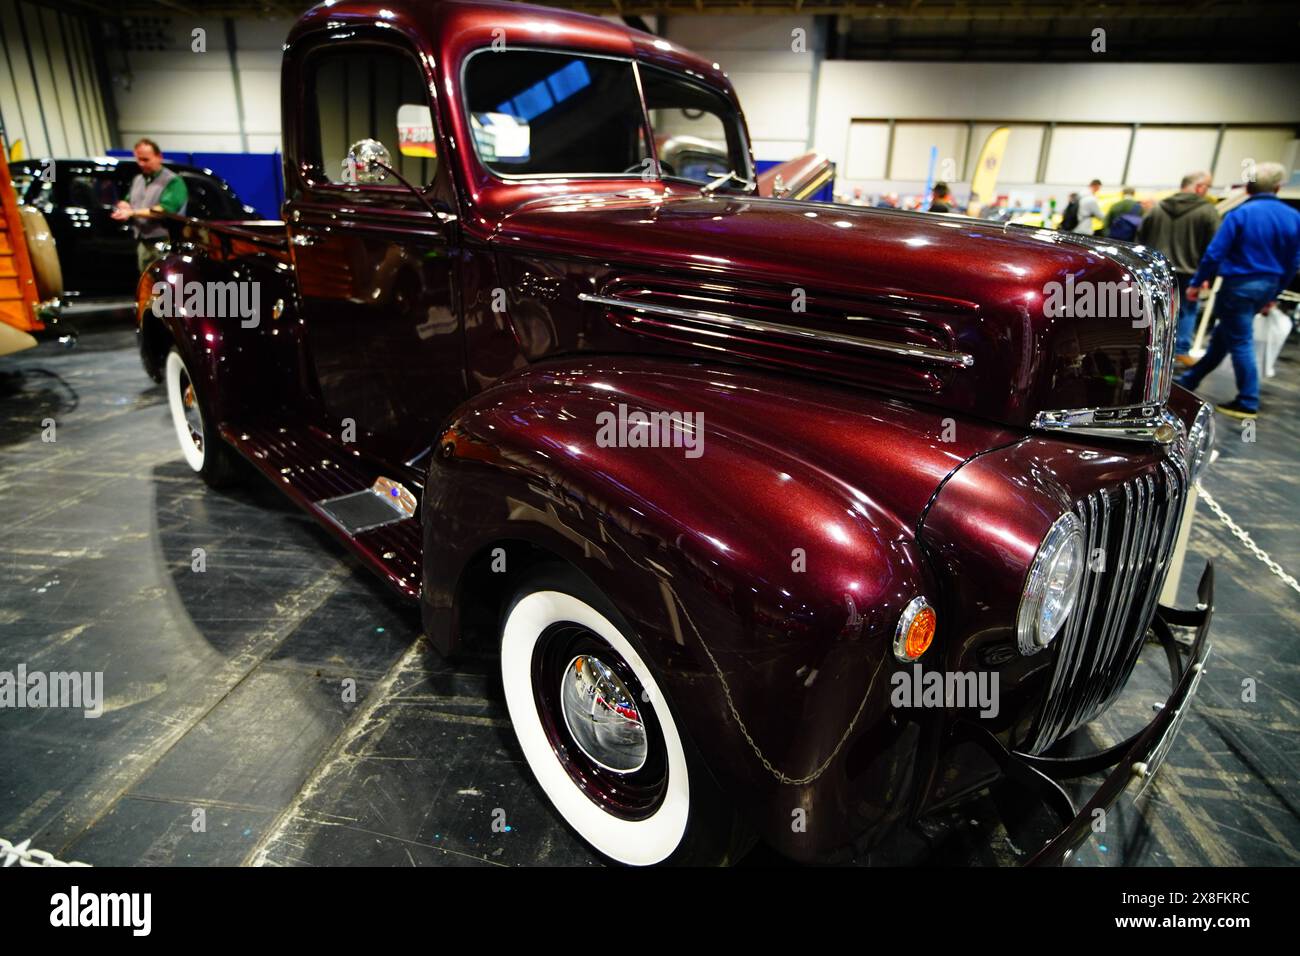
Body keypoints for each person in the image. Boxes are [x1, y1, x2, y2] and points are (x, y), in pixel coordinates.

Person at [1178, 162, 1300, 420]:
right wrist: (1274, 294)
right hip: (1267, 286)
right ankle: (1189, 380)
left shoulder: (1240, 214)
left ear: (1247, 187)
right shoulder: (1293, 217)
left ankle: (1247, 401)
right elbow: (1294, 261)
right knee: (1224, 336)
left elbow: (1215, 253)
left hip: (1238, 286)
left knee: (1240, 340)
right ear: (1278, 187)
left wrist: (1198, 281)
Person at [1136, 171, 1219, 366]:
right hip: (1190, 272)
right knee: (1187, 311)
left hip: (1156, 270)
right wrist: (1206, 274)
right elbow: (1214, 246)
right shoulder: (1208, 211)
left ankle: (1148, 349)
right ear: (1199, 187)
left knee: (1154, 310)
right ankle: (1180, 351)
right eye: (1207, 187)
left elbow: (1140, 239)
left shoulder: (1156, 209)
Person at [110, 138, 189, 273]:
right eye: (138, 159)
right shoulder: (138, 179)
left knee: (165, 285)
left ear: (159, 157)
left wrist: (132, 213)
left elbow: (163, 210)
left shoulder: (173, 181)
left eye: (146, 159)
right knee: (146, 284)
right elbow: (129, 201)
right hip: (143, 243)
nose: (141, 164)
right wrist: (123, 207)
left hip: (165, 243)